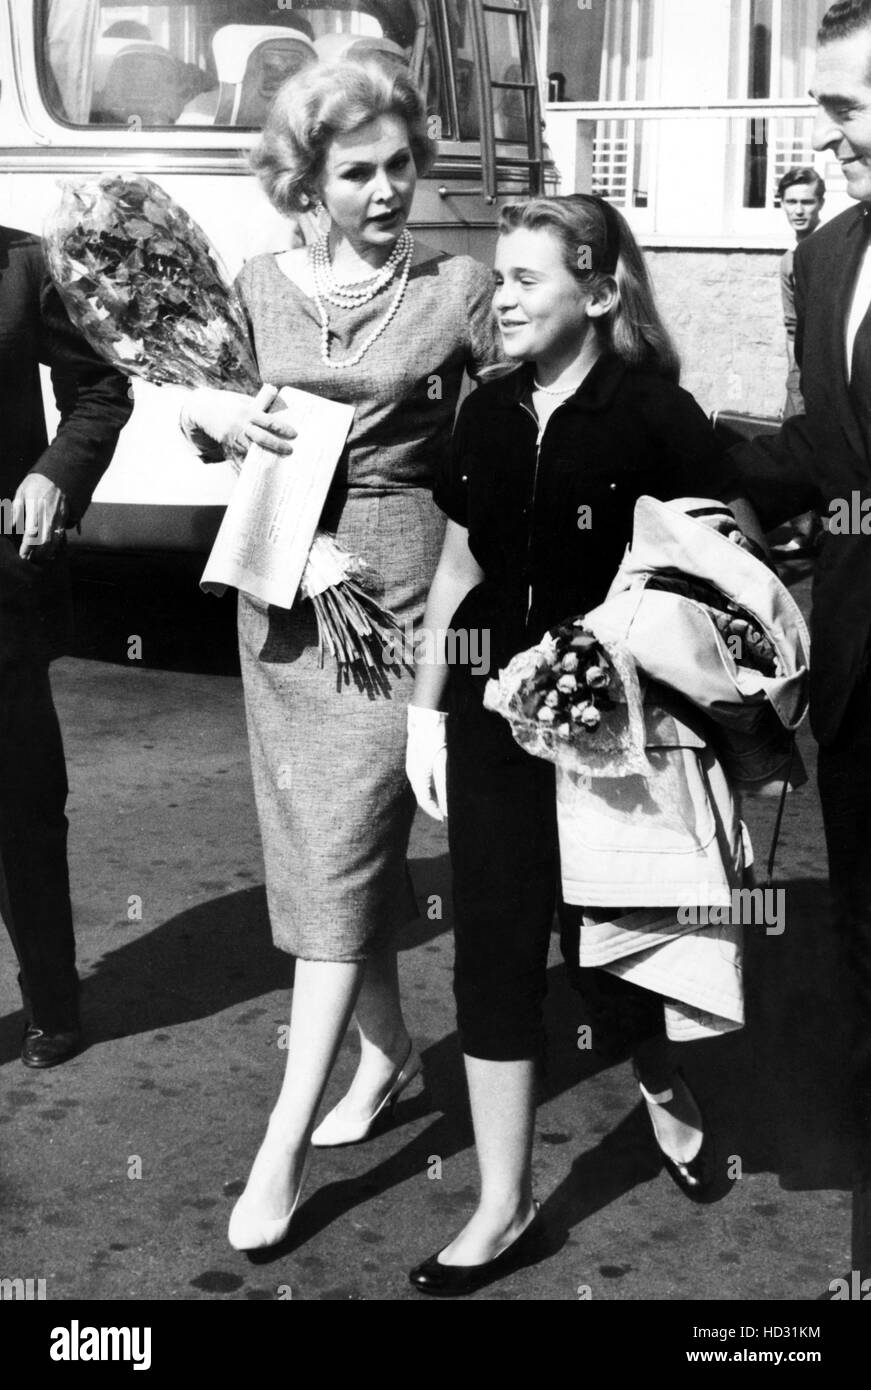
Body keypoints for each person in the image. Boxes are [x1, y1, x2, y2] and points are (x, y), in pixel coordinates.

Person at [404, 195, 766, 1297]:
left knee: (606, 943)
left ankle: (658, 1082)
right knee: (495, 951)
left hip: (620, 728)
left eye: (523, 279)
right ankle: (504, 1206)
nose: (498, 297)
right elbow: (459, 569)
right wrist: (429, 703)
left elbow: (724, 566)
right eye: (496, 277)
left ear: (599, 292)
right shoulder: (484, 412)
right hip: (492, 722)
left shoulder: (657, 415)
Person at [180, 59, 501, 1251]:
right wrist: (216, 418)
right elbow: (209, 409)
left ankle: (279, 1150)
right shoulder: (257, 284)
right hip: (281, 596)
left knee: (343, 849)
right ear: (304, 182)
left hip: (400, 598)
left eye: (399, 165)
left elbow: (526, 413)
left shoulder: (456, 287)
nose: (385, 188)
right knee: (319, 854)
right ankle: (390, 1054)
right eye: (355, 170)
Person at [729, 0, 871, 1283]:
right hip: (862, 673)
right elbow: (818, 456)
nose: (834, 133)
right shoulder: (827, 254)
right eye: (829, 107)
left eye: (853, 106)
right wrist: (669, 443)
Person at [0, 224, 132, 1067]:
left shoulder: (25, 265)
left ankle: (53, 1000)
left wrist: (55, 473)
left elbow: (100, 388)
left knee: (21, 811)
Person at [778, 166, 826, 420]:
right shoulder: (789, 261)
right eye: (791, 202)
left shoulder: (832, 253)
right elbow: (792, 327)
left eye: (807, 202)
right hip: (801, 375)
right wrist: (795, 380)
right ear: (782, 204)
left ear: (820, 203)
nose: (798, 210)